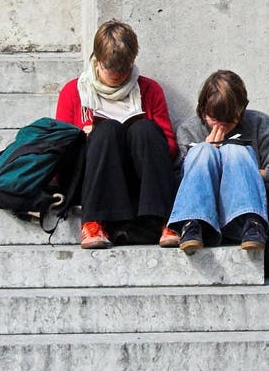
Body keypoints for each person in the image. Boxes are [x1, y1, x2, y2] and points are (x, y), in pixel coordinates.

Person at [55, 19, 179, 249]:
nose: (117, 75)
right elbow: (60, 152)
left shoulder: (149, 90)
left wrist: (133, 135)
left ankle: (166, 220)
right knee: (107, 131)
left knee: (145, 129)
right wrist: (85, 137)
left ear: (132, 62)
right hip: (95, 176)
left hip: (139, 178)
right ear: (97, 60)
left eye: (123, 70)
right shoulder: (74, 91)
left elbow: (170, 147)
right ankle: (93, 222)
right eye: (108, 69)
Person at [168, 70, 269, 254]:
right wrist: (207, 152)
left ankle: (252, 221)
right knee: (203, 151)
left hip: (244, 224)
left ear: (241, 111)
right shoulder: (189, 130)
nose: (220, 126)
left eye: (229, 121)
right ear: (203, 110)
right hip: (203, 225)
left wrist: (248, 171)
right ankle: (191, 223)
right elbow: (176, 180)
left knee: (235, 150)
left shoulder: (261, 125)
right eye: (214, 119)